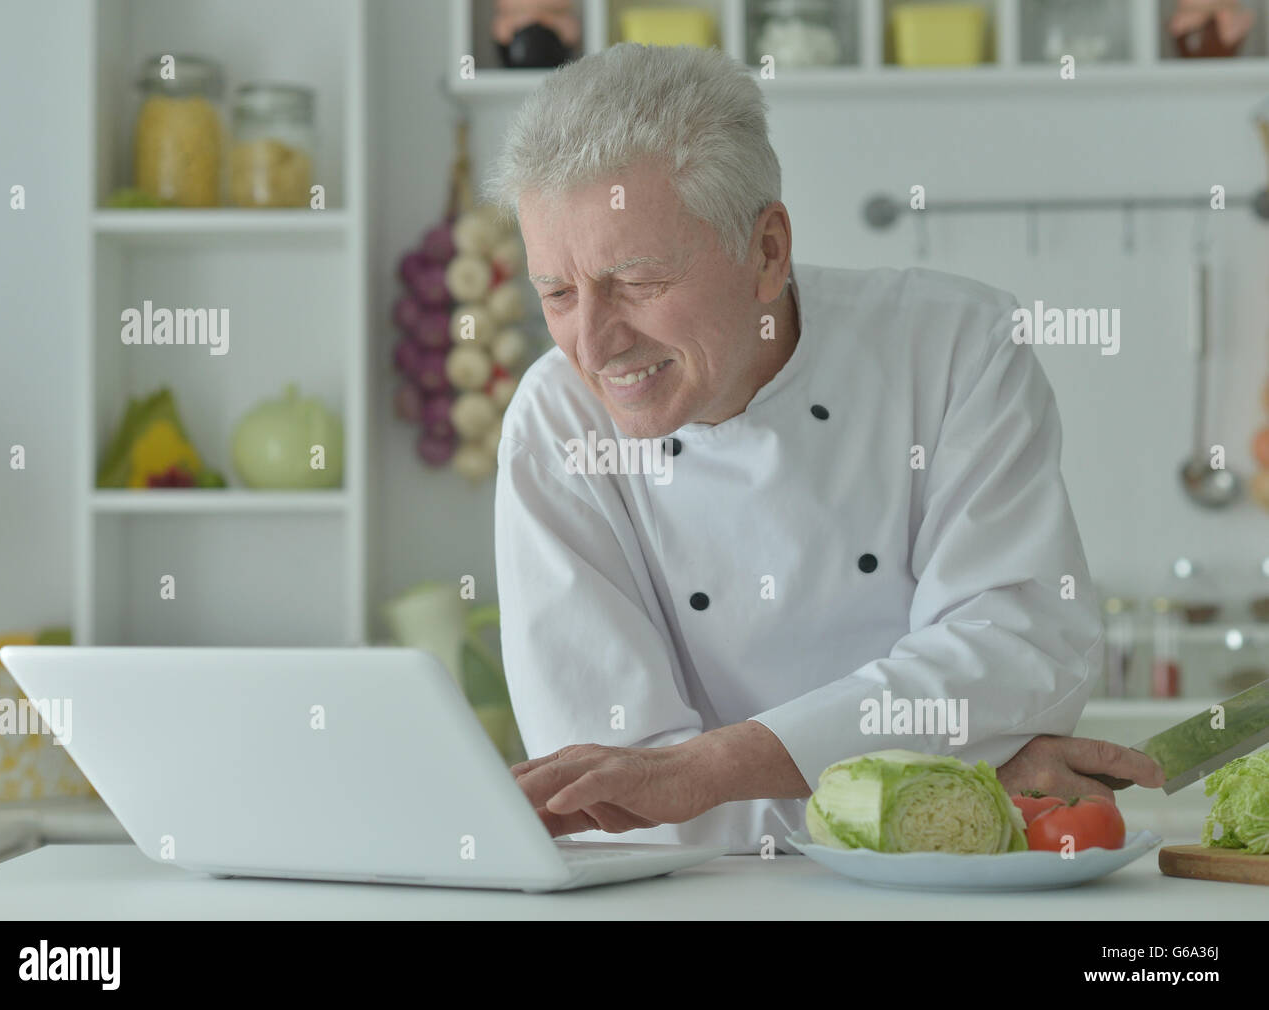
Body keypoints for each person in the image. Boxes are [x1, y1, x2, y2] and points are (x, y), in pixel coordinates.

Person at [483, 43, 1163, 851]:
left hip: (948, 895)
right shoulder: (555, 422)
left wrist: (708, 773)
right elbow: (619, 803)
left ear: (767, 251)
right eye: (557, 294)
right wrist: (962, 778)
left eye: (638, 283)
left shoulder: (954, 348)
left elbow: (1015, 646)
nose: (594, 343)